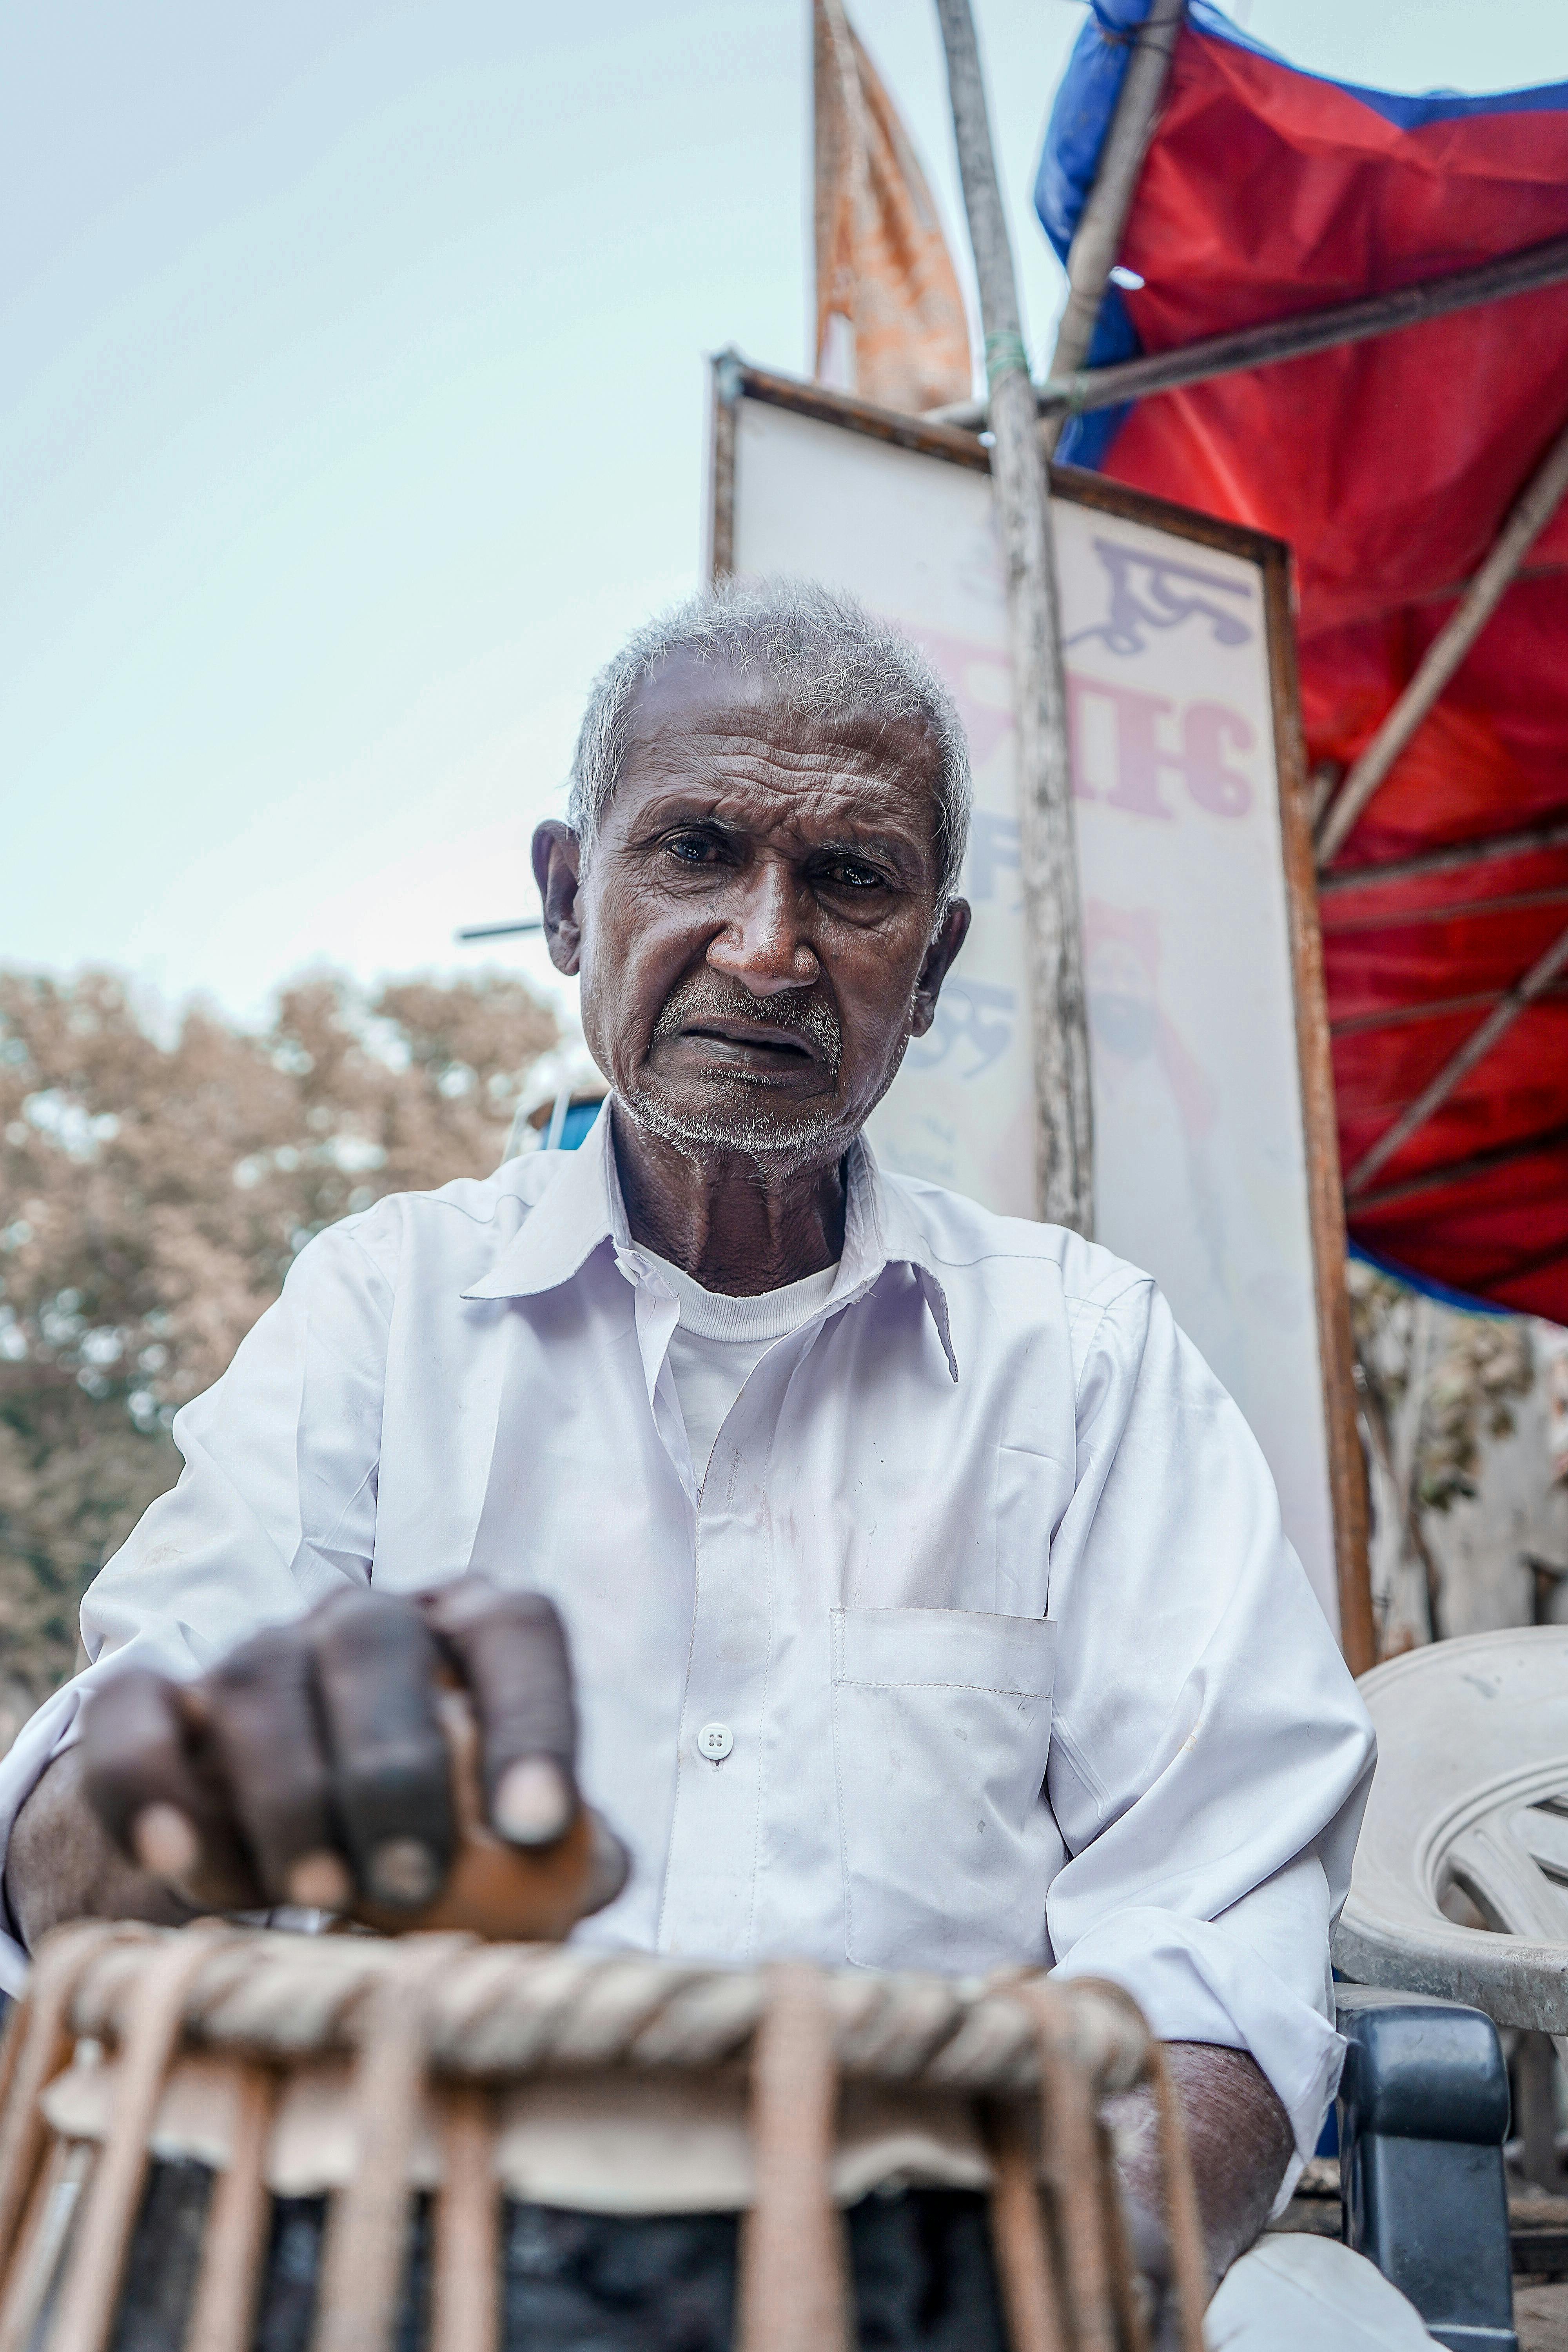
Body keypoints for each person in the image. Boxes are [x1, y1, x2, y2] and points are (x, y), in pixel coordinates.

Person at [0, 583, 1408, 2344]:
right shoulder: (381, 1312)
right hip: (407, 2278)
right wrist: (194, 1791)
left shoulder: (1089, 1357)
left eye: (852, 880)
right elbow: (72, 1890)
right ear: (565, 900)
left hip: (945, 2281)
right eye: (695, 851)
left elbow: (1212, 1955)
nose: (766, 947)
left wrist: (1028, 2293)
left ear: (933, 966)